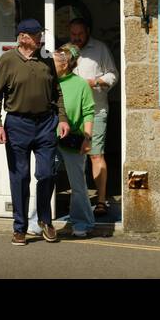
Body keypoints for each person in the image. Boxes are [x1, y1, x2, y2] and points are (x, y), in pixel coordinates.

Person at [0, 18, 69, 246]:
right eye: (36, 35)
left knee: (46, 174)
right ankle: (19, 228)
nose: (40, 38)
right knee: (20, 178)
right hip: (17, 125)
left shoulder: (46, 59)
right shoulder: (7, 61)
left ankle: (45, 220)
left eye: (40, 34)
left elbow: (58, 93)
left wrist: (62, 119)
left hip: (46, 124)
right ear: (23, 37)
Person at [68, 13, 118, 219]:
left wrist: (94, 82)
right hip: (72, 114)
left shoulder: (100, 49)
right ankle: (78, 201)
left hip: (96, 111)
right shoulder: (65, 51)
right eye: (73, 34)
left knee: (96, 155)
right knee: (73, 158)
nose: (77, 37)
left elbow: (113, 75)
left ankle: (101, 200)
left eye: (80, 34)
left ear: (87, 32)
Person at [53, 44, 97, 238]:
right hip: (49, 139)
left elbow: (88, 112)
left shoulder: (80, 85)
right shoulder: (48, 81)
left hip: (73, 140)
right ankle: (37, 219)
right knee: (44, 180)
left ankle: (82, 222)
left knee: (78, 185)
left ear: (65, 65)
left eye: (54, 60)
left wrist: (87, 139)